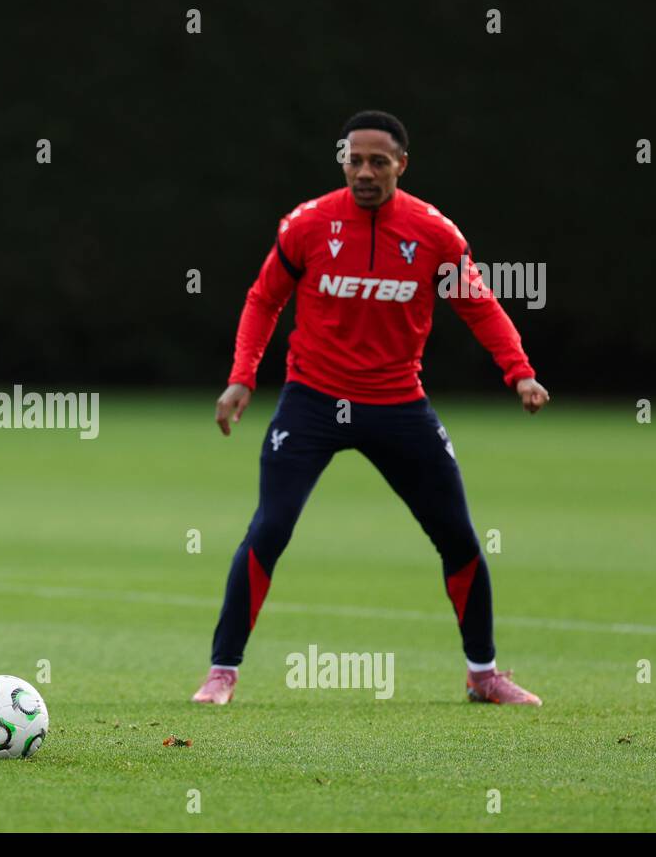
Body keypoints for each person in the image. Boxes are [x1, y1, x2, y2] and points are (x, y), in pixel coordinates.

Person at [193, 110, 549, 707]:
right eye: (353, 159)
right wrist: (241, 379)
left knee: (458, 538)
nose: (363, 171)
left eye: (377, 161)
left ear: (401, 165)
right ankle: (221, 672)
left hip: (397, 405)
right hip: (311, 401)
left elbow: (480, 305)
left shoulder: (433, 233)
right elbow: (263, 300)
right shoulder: (308, 225)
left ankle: (483, 675)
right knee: (270, 528)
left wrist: (521, 373)